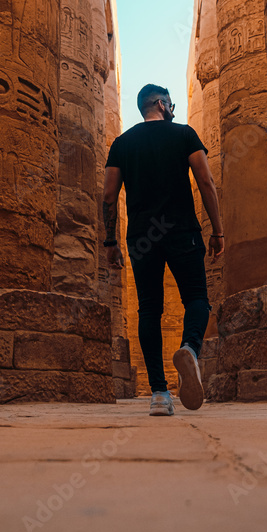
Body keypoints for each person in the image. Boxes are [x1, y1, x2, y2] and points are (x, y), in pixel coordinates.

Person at [102, 84, 224, 416]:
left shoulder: (123, 144)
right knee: (197, 298)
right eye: (170, 104)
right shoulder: (184, 134)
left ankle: (159, 394)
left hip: (142, 237)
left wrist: (110, 241)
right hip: (182, 230)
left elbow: (109, 196)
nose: (174, 109)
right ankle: (189, 348)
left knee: (149, 311)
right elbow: (206, 182)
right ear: (160, 104)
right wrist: (218, 229)